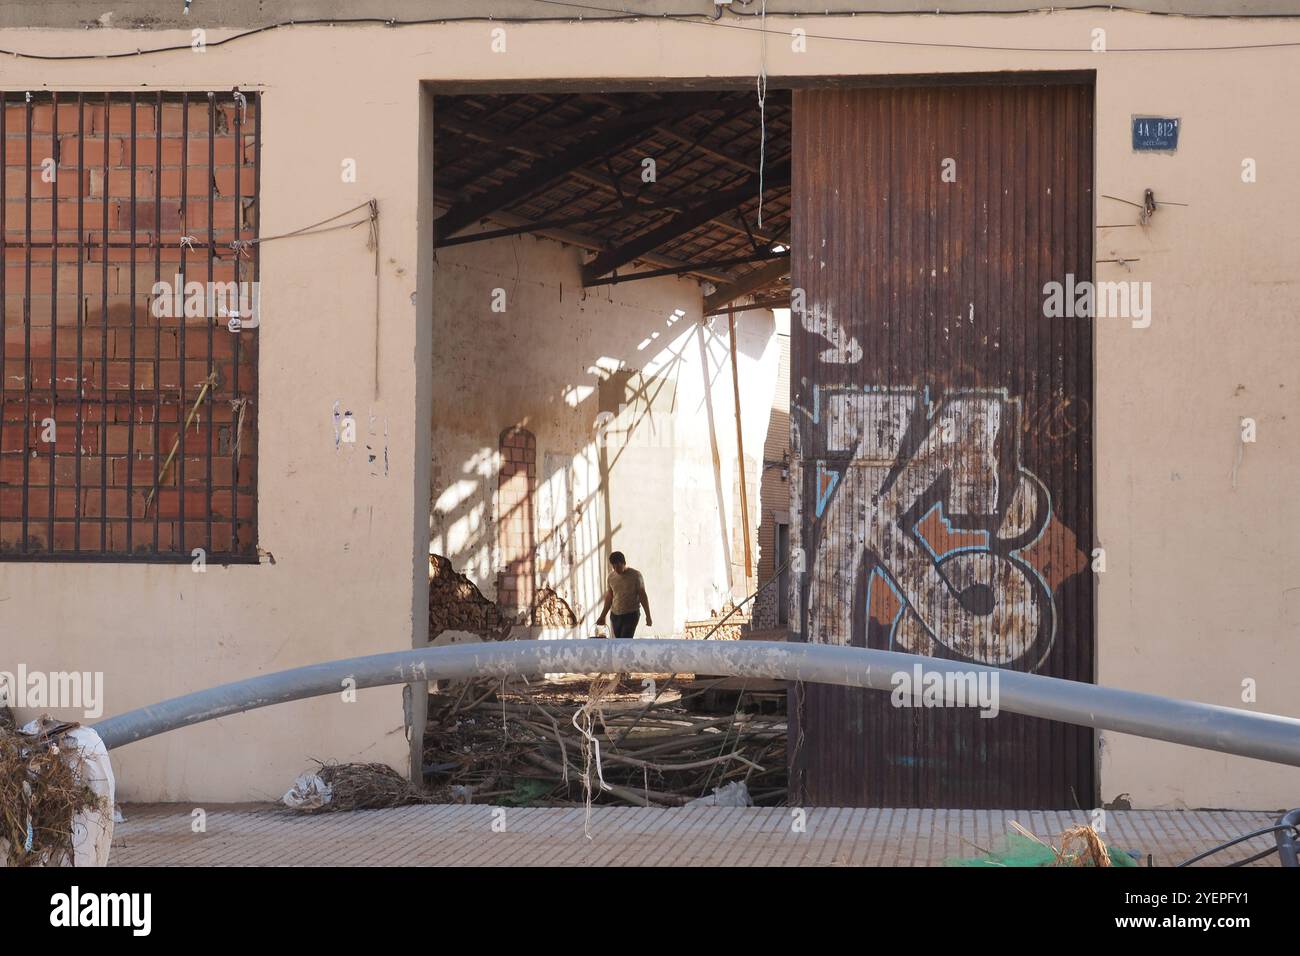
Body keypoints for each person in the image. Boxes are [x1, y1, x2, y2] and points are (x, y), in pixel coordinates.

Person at [596, 551, 651, 639]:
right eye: (613, 566)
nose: (616, 568)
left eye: (618, 565)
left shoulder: (636, 575)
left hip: (631, 614)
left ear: (624, 563)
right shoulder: (611, 577)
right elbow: (609, 597)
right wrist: (602, 616)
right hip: (615, 615)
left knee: (625, 641)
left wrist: (648, 616)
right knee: (619, 641)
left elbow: (643, 596)